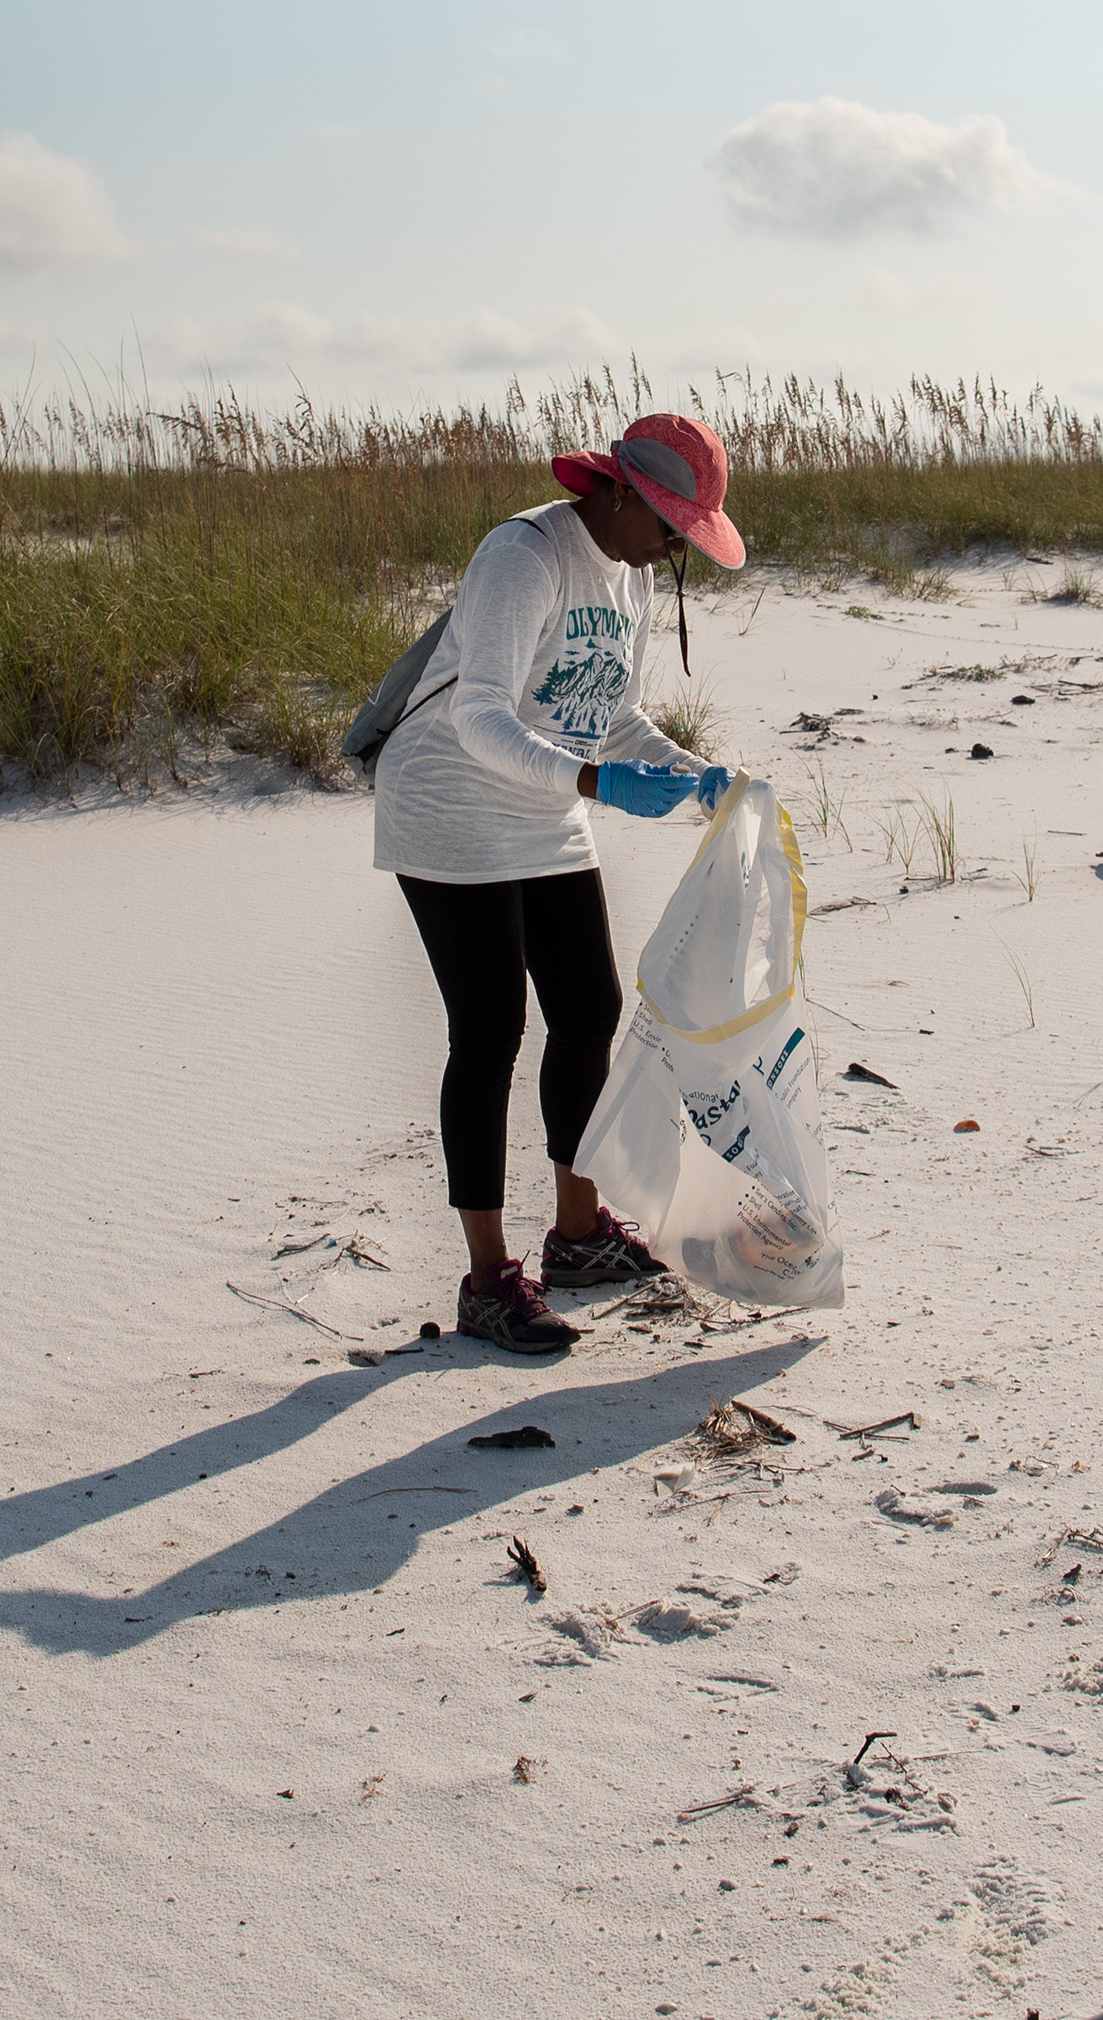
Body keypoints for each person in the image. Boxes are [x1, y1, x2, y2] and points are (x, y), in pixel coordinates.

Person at [369, 412, 746, 1352]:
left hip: (544, 812)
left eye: (685, 534)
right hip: (448, 808)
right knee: (491, 1028)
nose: (670, 549)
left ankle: (576, 1235)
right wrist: (597, 784)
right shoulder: (523, 556)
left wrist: (685, 770)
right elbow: (481, 716)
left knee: (587, 1011)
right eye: (666, 525)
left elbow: (606, 714)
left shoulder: (631, 577)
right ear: (616, 490)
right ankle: (488, 1278)